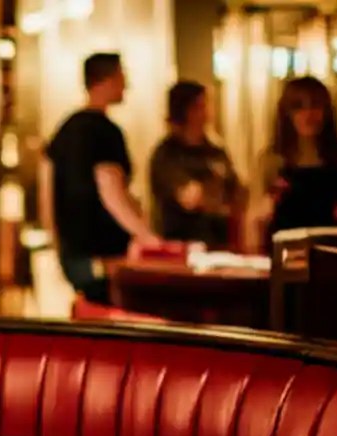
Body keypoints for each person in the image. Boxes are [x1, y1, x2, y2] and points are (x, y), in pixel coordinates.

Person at [41, 53, 162, 304]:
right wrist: (146, 236)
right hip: (106, 255)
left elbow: (46, 192)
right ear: (105, 80)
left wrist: (57, 247)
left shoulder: (64, 130)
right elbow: (111, 191)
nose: (126, 85)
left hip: (74, 255)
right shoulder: (105, 132)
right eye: (121, 77)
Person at [252, 76, 337, 237]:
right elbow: (255, 216)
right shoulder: (272, 159)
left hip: (331, 245)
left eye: (315, 105)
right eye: (298, 107)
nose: (308, 114)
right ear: (287, 112)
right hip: (285, 244)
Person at [149, 81, 241, 248]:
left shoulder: (215, 151)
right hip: (183, 245)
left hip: (220, 242)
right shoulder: (167, 154)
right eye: (201, 105)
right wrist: (215, 199)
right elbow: (190, 197)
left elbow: (236, 192)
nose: (208, 111)